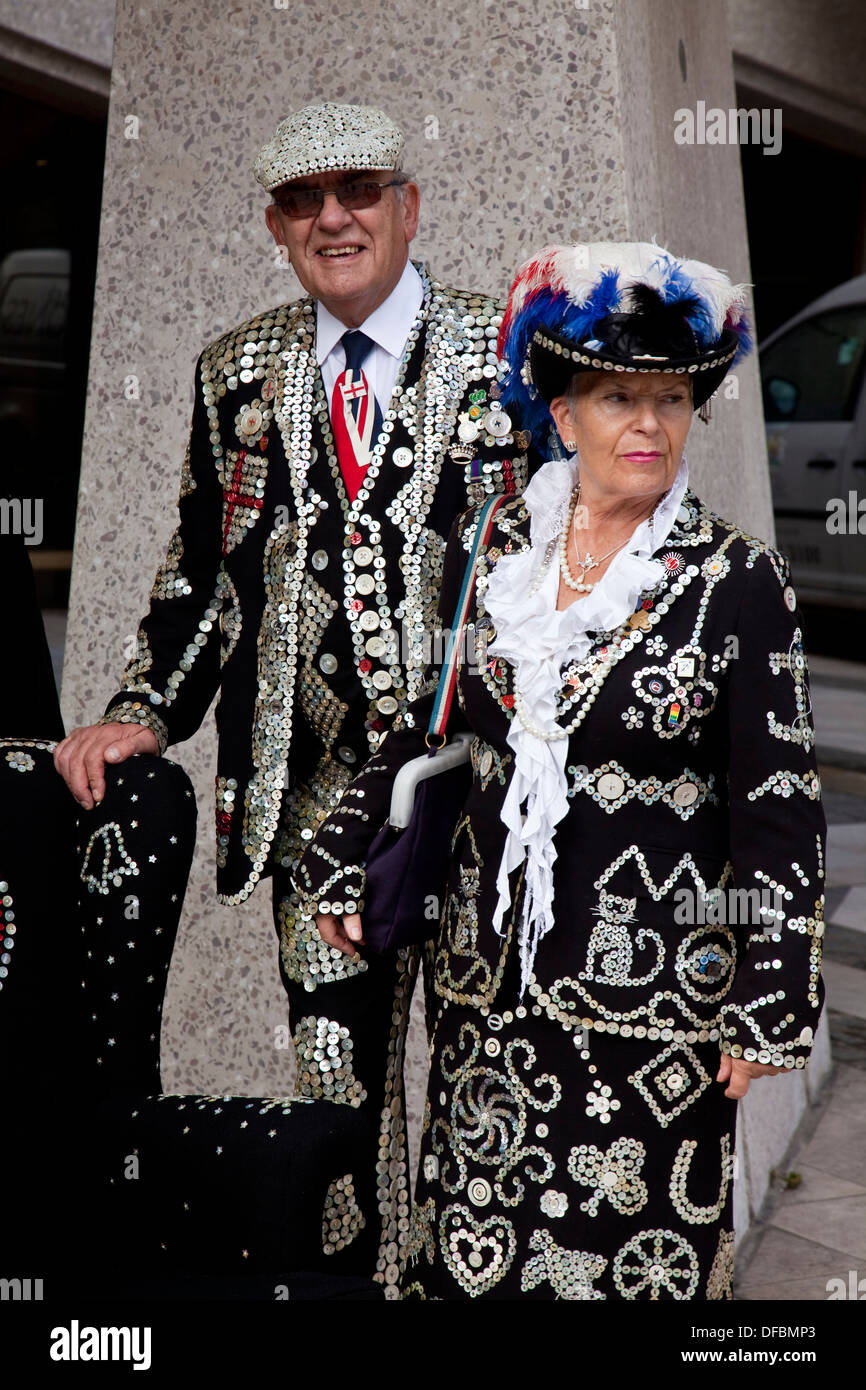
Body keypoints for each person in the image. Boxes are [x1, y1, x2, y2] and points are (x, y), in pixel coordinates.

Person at [52, 102, 536, 1298]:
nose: (334, 217)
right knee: (337, 1097)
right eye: (302, 201)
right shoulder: (237, 370)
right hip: (318, 823)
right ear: (275, 228)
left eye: (358, 190)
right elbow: (205, 576)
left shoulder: (509, 353)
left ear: (406, 207)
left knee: (485, 1086)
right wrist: (146, 707)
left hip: (488, 813)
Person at [296, 241, 827, 1300]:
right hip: (486, 989)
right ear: (565, 412)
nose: (647, 424)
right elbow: (428, 716)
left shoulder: (737, 581)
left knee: (627, 1266)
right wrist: (340, 849)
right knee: (476, 1255)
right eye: (618, 396)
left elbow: (776, 803)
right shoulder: (497, 547)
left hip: (655, 1008)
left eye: (670, 399)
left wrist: (769, 995)